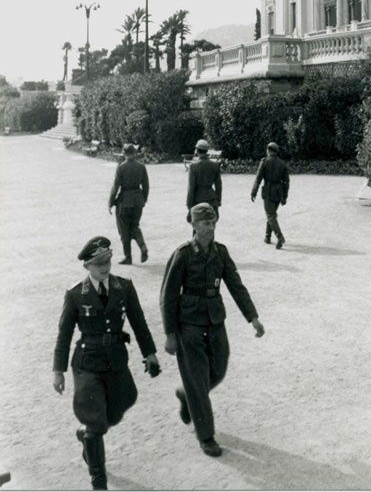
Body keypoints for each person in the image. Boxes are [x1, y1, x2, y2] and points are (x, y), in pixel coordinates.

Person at [52, 236, 160, 490]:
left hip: (115, 359)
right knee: (95, 420)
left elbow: (139, 322)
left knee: (127, 397)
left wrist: (150, 353)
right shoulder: (76, 294)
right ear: (87, 266)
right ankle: (98, 479)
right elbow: (64, 334)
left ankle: (87, 434)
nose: (105, 267)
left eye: (108, 261)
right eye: (98, 263)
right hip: (87, 362)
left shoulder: (124, 287)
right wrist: (58, 370)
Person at [160, 203, 265, 458]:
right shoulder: (183, 254)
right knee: (197, 379)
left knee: (218, 369)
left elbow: (236, 286)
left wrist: (253, 317)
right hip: (189, 324)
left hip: (215, 320)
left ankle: (187, 394)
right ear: (194, 225)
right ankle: (206, 436)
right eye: (206, 223)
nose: (211, 227)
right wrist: (170, 333)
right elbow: (168, 295)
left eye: (213, 223)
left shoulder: (220, 252)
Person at [108, 143, 149, 265]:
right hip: (138, 200)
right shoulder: (141, 167)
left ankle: (128, 257)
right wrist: (144, 199)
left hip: (124, 201)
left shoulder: (121, 167)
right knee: (135, 226)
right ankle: (142, 246)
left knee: (124, 229)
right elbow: (146, 185)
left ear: (124, 153)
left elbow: (115, 187)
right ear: (135, 153)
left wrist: (110, 202)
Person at [251, 142, 290, 249]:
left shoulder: (264, 162)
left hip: (268, 191)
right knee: (272, 214)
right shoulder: (282, 163)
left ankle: (280, 237)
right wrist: (285, 196)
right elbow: (287, 182)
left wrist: (253, 192)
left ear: (268, 150)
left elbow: (258, 179)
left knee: (270, 215)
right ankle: (267, 237)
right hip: (279, 192)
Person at [186, 139, 222, 224]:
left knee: (197, 229)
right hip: (212, 199)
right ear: (207, 151)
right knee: (210, 228)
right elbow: (219, 186)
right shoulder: (215, 165)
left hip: (198, 200)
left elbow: (191, 188)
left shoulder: (193, 166)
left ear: (197, 151)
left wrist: (189, 204)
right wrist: (218, 200)